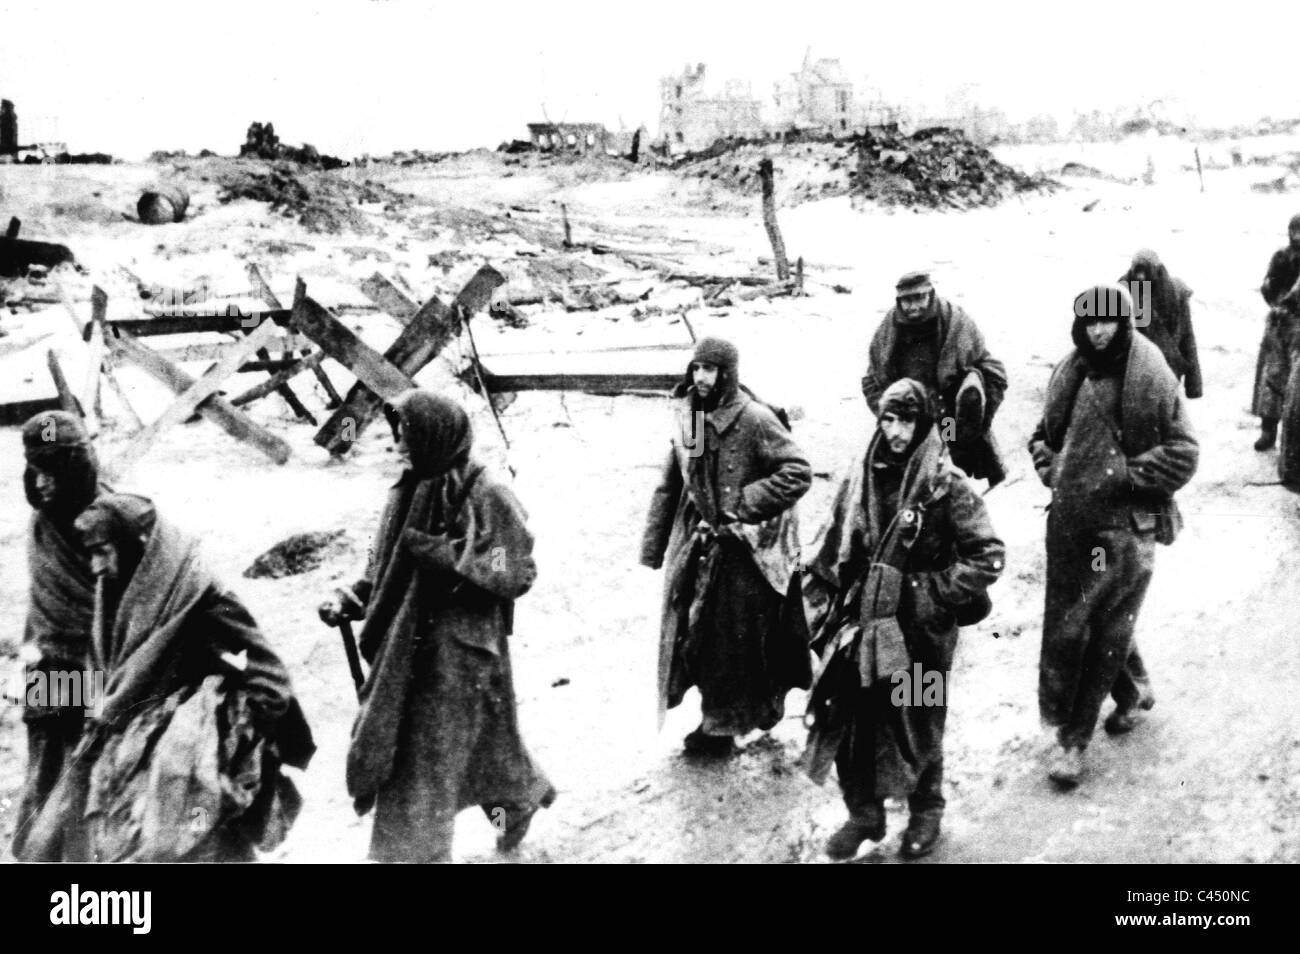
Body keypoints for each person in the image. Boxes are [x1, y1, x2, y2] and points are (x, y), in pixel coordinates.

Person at [320, 389, 553, 863]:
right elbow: (383, 566)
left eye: (408, 433)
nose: (398, 443)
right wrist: (352, 596)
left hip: (459, 649)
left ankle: (411, 856)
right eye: (397, 433)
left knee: (420, 759)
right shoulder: (405, 490)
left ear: (435, 434)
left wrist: (449, 557)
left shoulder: (485, 491)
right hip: (406, 642)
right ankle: (515, 800)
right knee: (479, 742)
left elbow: (515, 566)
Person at [18, 493, 314, 862]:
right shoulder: (114, 600)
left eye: (103, 551)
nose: (95, 566)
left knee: (199, 843)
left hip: (189, 760)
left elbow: (267, 667)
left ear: (135, 545)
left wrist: (234, 731)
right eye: (90, 553)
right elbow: (107, 677)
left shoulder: (196, 594)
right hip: (130, 756)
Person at [802, 379, 1004, 860]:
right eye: (888, 419)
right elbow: (834, 538)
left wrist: (926, 593)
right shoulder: (861, 474)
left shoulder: (944, 483)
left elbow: (988, 556)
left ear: (924, 423)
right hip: (864, 622)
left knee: (919, 718)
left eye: (906, 420)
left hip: (920, 633)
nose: (895, 431)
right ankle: (865, 814)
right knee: (849, 716)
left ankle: (926, 812)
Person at [1028, 285, 1198, 788]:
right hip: (1070, 527)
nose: (1098, 331)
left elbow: (1185, 451)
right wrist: (1052, 468)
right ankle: (1133, 691)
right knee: (1087, 620)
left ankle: (1074, 742)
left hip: (1122, 532)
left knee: (1093, 630)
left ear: (1123, 323)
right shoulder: (1070, 372)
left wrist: (1126, 474)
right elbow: (1041, 436)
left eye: (1107, 322)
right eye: (1089, 323)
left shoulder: (1149, 376)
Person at [640, 336, 813, 756]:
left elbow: (797, 472)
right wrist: (654, 545)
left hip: (743, 553)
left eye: (711, 369)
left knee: (733, 643)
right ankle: (720, 718)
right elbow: (675, 481)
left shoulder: (755, 419)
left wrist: (743, 503)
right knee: (691, 637)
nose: (701, 378)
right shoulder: (693, 421)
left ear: (728, 374)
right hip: (700, 546)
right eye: (696, 368)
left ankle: (720, 725)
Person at [11, 410, 104, 859]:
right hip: (50, 663)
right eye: (36, 471)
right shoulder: (42, 523)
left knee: (91, 777)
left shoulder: (110, 521)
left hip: (100, 665)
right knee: (47, 771)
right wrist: (27, 656)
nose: (43, 483)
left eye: (53, 471)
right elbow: (41, 596)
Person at [862, 271, 1009, 486]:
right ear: (898, 301)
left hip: (947, 415)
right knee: (903, 475)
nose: (914, 307)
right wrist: (889, 411)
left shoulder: (954, 322)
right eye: (907, 300)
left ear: (930, 295)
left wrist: (975, 407)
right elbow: (872, 379)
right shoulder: (888, 332)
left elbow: (991, 369)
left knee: (948, 463)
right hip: (910, 415)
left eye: (919, 298)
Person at [1119, 248, 1202, 399]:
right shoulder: (1124, 291)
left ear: (1155, 271)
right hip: (1135, 372)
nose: (1141, 277)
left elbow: (1187, 338)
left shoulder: (1176, 292)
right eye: (1137, 272)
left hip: (1169, 370)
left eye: (1145, 272)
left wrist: (1193, 385)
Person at [1253, 214, 1300, 462]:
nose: (1297, 236)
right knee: (1272, 376)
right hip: (1278, 323)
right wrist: (1274, 302)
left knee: (1296, 383)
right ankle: (1268, 430)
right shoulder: (1281, 256)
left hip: (1299, 326)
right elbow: (1267, 283)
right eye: (1294, 231)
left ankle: (1291, 440)